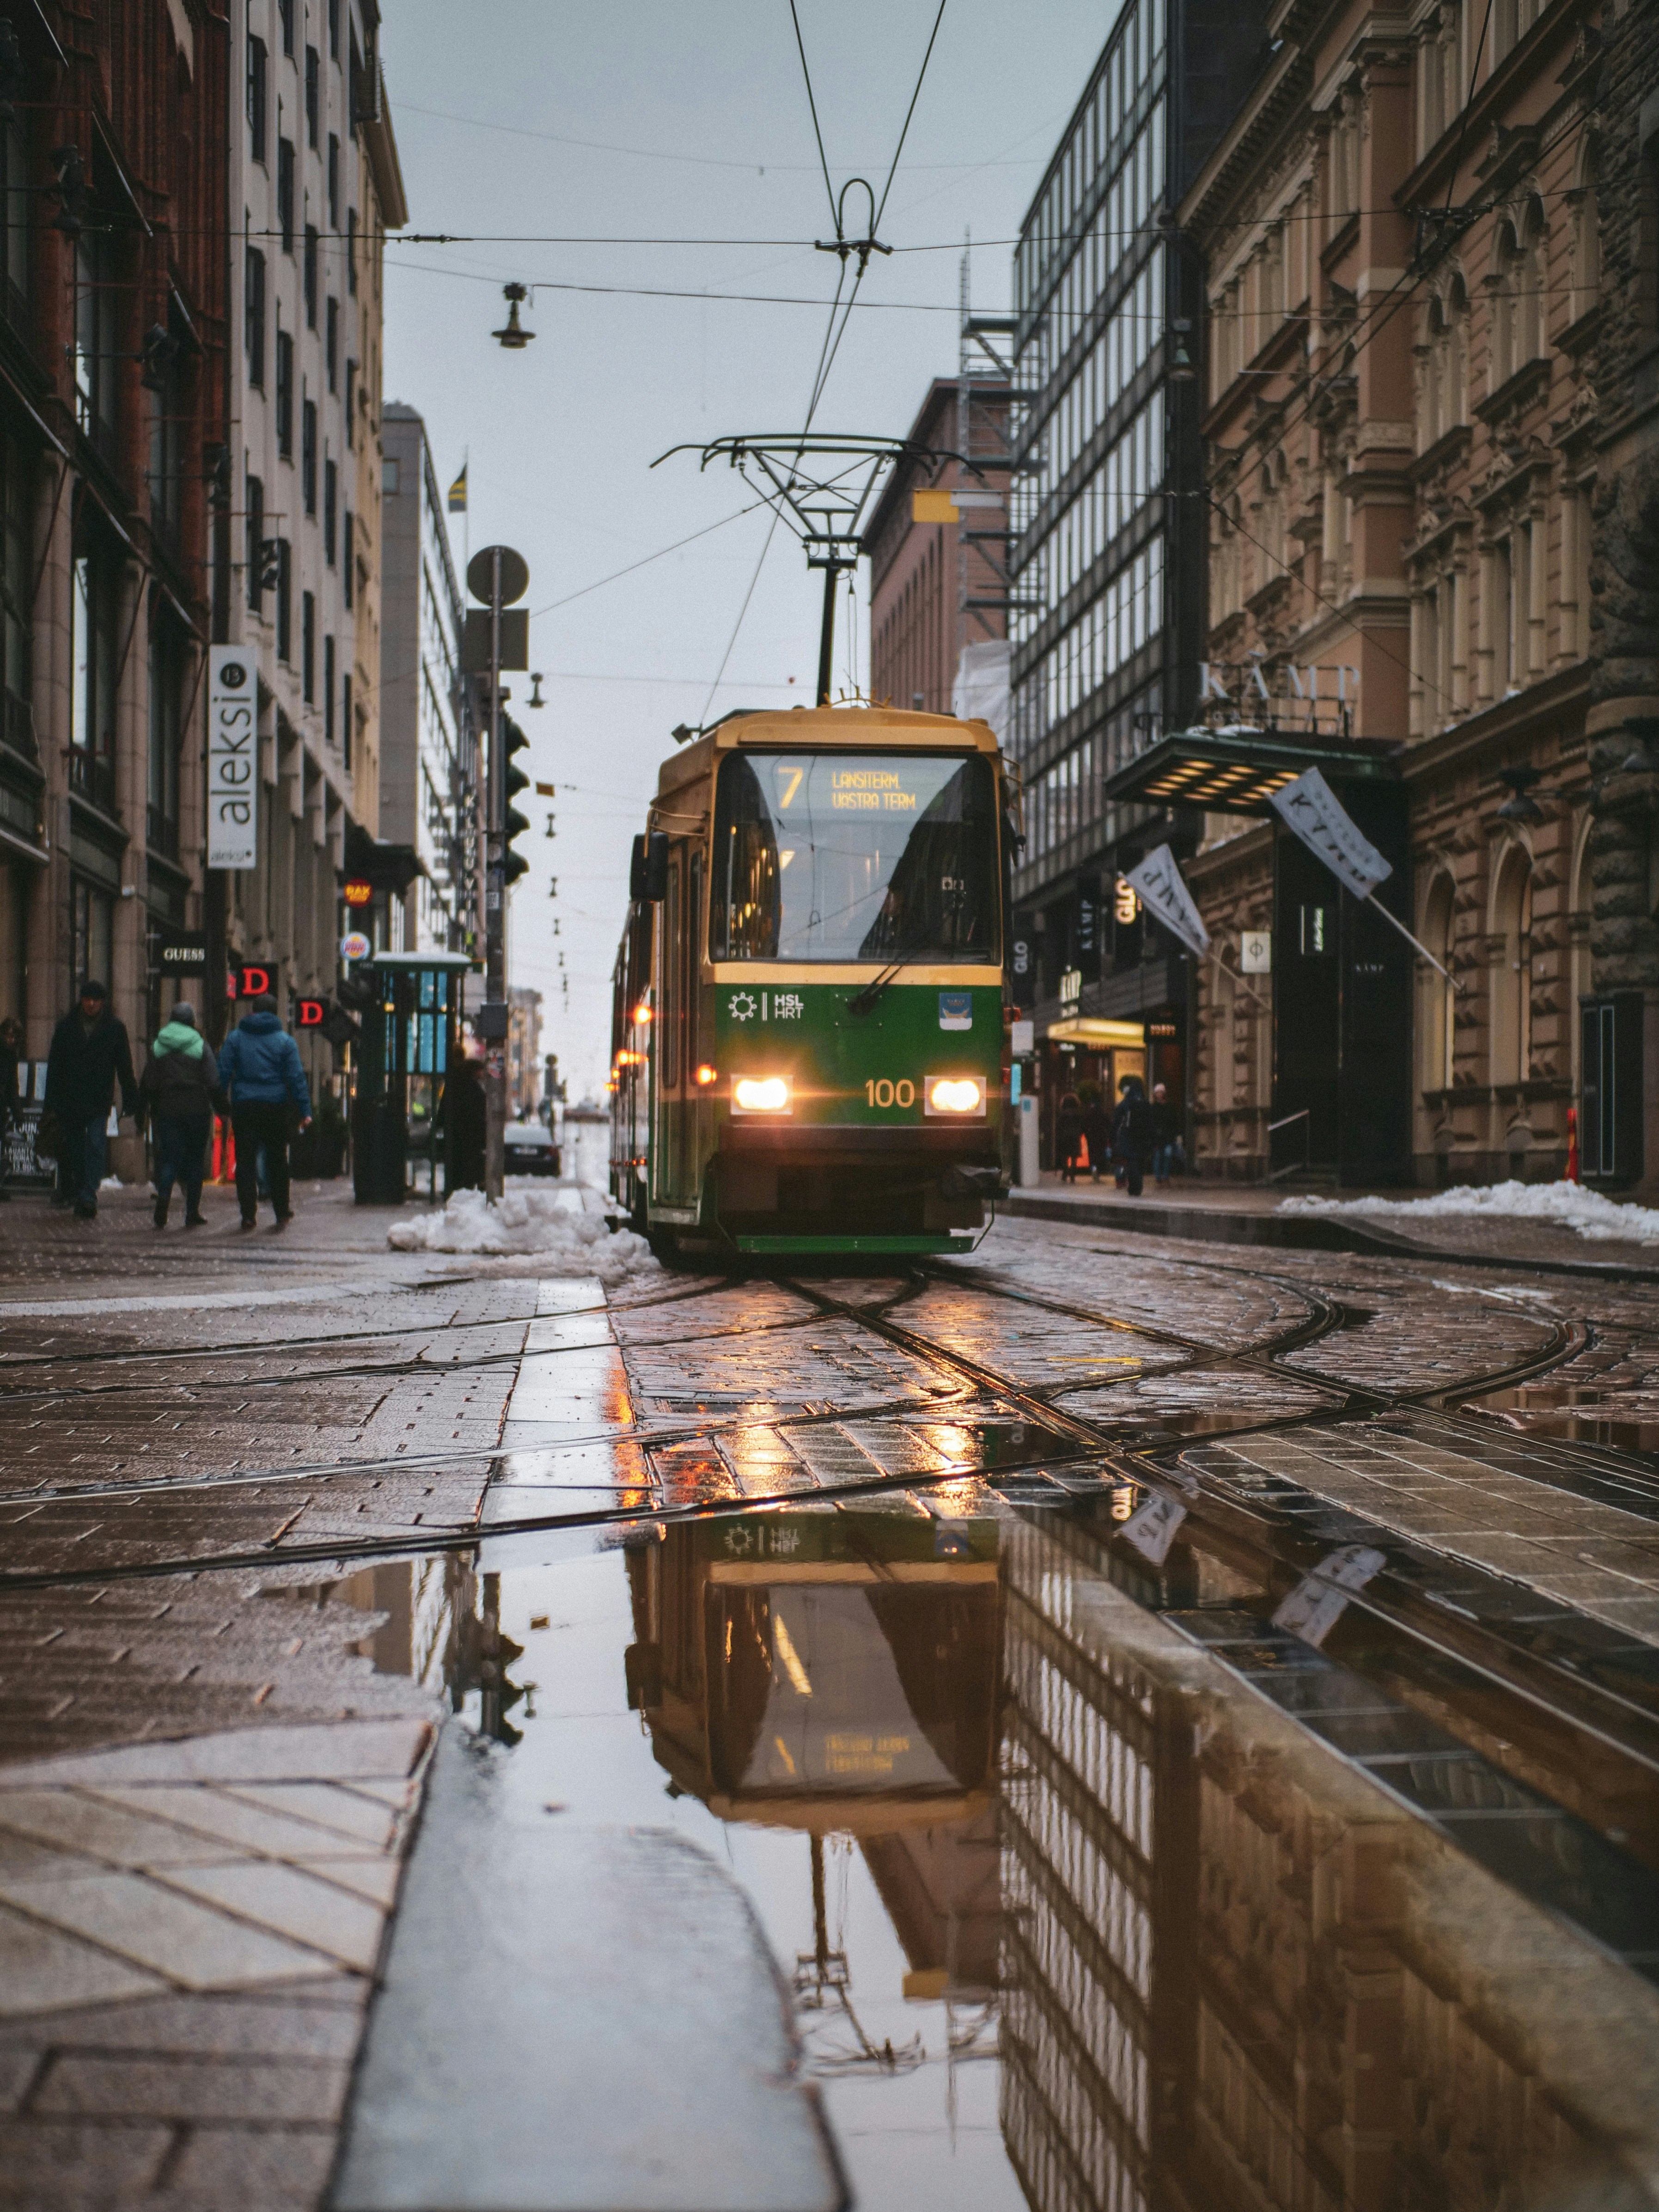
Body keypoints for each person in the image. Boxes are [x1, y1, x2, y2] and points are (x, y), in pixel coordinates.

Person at [217, 993, 311, 1231]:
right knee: (277, 1159)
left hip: (244, 1107)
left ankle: (248, 1215)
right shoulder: (285, 1042)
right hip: (275, 1107)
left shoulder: (236, 1038)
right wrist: (304, 1110)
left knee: (246, 1161)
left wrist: (220, 1104)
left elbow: (223, 1072)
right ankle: (282, 1212)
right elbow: (296, 1078)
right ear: (275, 1012)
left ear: (253, 1011)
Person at [45, 981, 138, 1219]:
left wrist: (130, 1097)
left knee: (96, 1144)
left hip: (98, 1099)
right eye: (87, 999)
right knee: (75, 1148)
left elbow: (125, 1066)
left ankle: (88, 1194)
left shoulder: (115, 1028)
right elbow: (55, 1067)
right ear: (82, 1000)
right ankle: (81, 1190)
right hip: (71, 1099)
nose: (91, 1004)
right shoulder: (66, 1027)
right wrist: (51, 1103)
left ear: (103, 1002)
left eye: (96, 1000)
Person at [140, 1001, 217, 1229]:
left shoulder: (158, 1046)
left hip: (167, 1110)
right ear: (192, 1022)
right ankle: (192, 1212)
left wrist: (144, 1107)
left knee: (170, 1158)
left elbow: (150, 1081)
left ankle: (164, 1197)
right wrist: (222, 1105)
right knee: (195, 1161)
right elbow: (213, 1080)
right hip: (197, 1110)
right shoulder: (201, 1046)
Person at [442, 1050, 487, 1192]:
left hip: (458, 1130)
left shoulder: (456, 1082)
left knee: (462, 1161)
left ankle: (461, 1187)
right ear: (474, 1071)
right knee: (472, 1161)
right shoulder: (472, 1087)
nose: (482, 1075)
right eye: (481, 1071)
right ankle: (471, 1187)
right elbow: (478, 1110)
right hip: (470, 1132)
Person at [1111, 1073, 1154, 1198]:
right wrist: (1152, 1140)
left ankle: (1133, 1186)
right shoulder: (1146, 1103)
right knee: (1139, 1162)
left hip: (1128, 1136)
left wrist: (1113, 1136)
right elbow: (1151, 1122)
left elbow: (1117, 1120)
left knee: (1130, 1161)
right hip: (1142, 1138)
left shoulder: (1127, 1102)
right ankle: (1138, 1186)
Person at [0, 1013, 19, 1202]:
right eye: (8, 1036)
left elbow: (13, 1084)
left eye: (13, 1037)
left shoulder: (11, 1054)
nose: (10, 1040)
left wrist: (16, 1110)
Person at [1080, 1083, 1113, 1186]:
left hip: (1091, 1136)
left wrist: (1085, 1133)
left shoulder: (1089, 1113)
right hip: (1101, 1136)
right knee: (1100, 1154)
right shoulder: (1102, 1112)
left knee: (1092, 1154)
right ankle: (1098, 1170)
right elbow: (1109, 1123)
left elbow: (1084, 1124)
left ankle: (1093, 1167)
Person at [1151, 1082, 1179, 1187]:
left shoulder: (1170, 1107)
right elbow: (1152, 1123)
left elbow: (1174, 1122)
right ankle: (1158, 1178)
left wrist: (1173, 1135)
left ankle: (1166, 1176)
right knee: (1158, 1156)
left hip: (1168, 1137)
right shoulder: (1154, 1108)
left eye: (1161, 1092)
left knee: (1168, 1155)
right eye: (1157, 1092)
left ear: (1164, 1093)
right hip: (1157, 1138)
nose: (1159, 1094)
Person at [1055, 1091, 1084, 1184]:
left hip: (1064, 1137)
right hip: (1075, 1137)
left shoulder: (1063, 1114)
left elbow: (1059, 1126)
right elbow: (1082, 1126)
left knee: (1065, 1157)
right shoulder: (1078, 1114)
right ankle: (1073, 1176)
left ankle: (1065, 1173)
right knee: (1074, 1157)